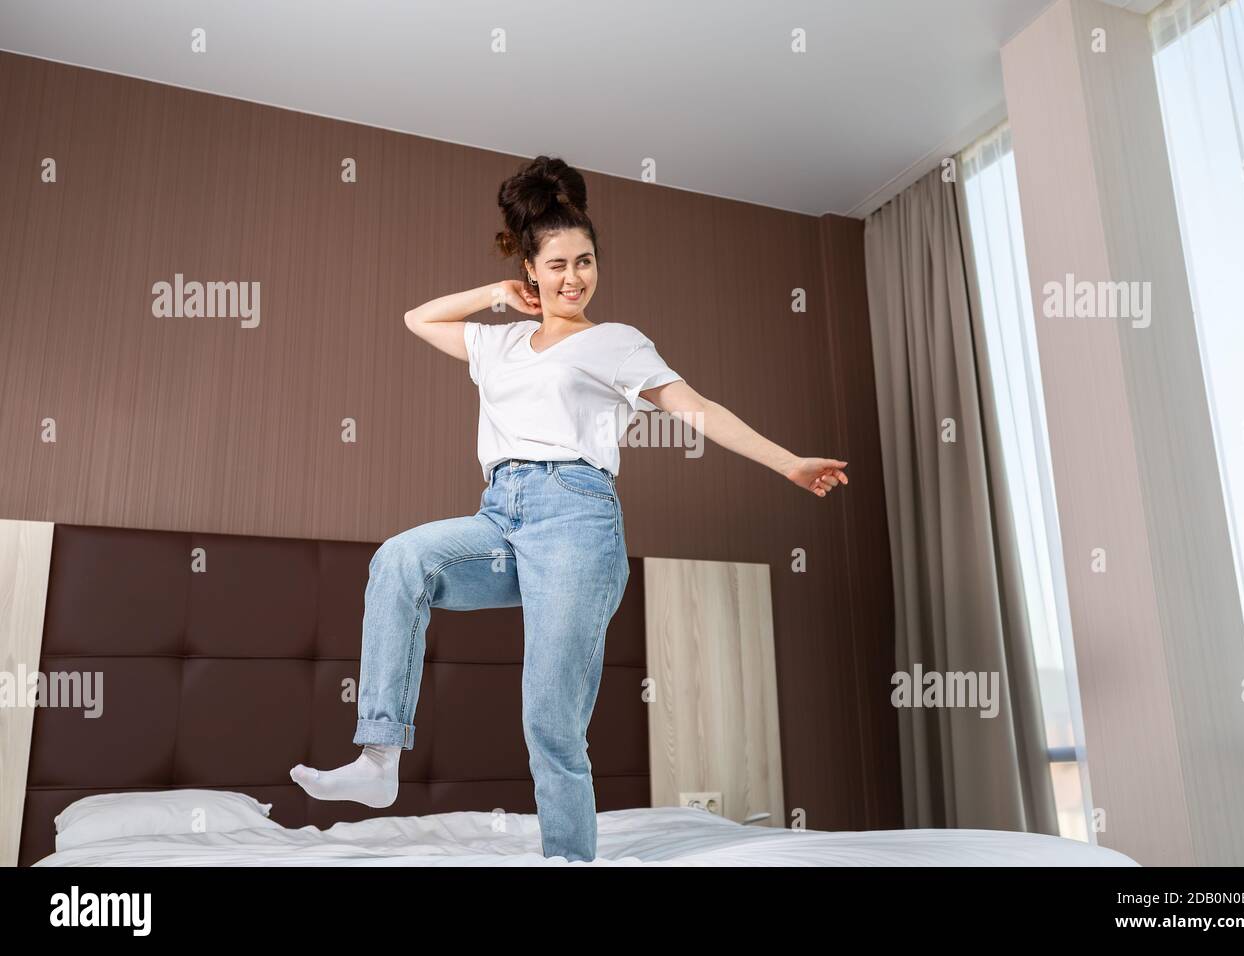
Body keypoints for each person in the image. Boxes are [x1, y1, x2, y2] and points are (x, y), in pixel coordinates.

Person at [290, 155, 848, 862]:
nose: (574, 277)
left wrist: (789, 461)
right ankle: (378, 760)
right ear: (530, 268)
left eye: (585, 261)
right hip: (500, 519)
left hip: (577, 523)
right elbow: (416, 317)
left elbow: (697, 409)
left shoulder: (616, 342)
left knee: (549, 720)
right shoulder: (497, 343)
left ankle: (567, 859)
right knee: (401, 558)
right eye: (556, 264)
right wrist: (495, 292)